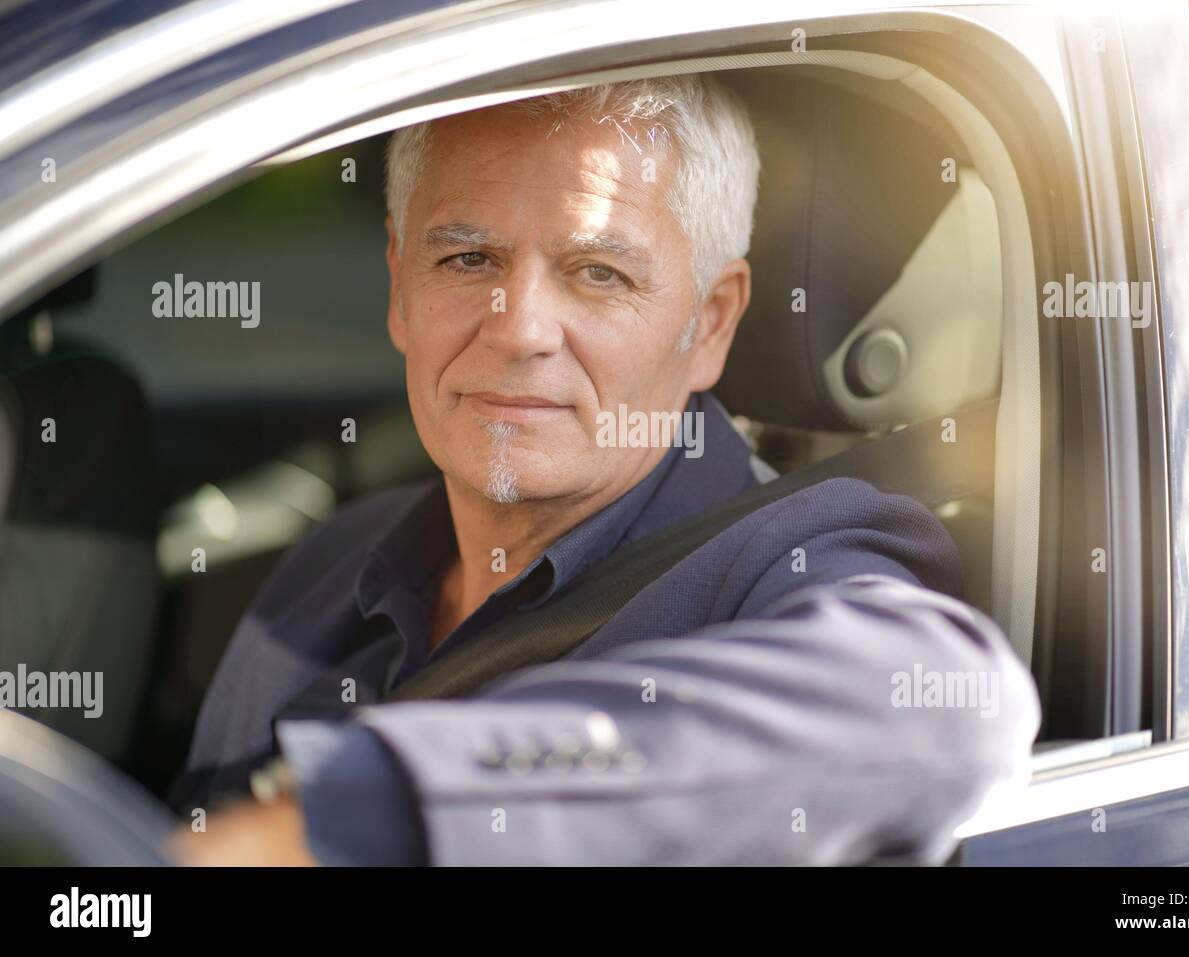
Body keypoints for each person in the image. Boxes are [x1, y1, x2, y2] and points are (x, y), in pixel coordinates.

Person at [167, 74, 1039, 866]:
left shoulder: (793, 554)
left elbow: (947, 706)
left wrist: (373, 803)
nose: (519, 329)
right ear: (401, 288)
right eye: (468, 260)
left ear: (709, 323)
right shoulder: (332, 565)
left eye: (598, 273)